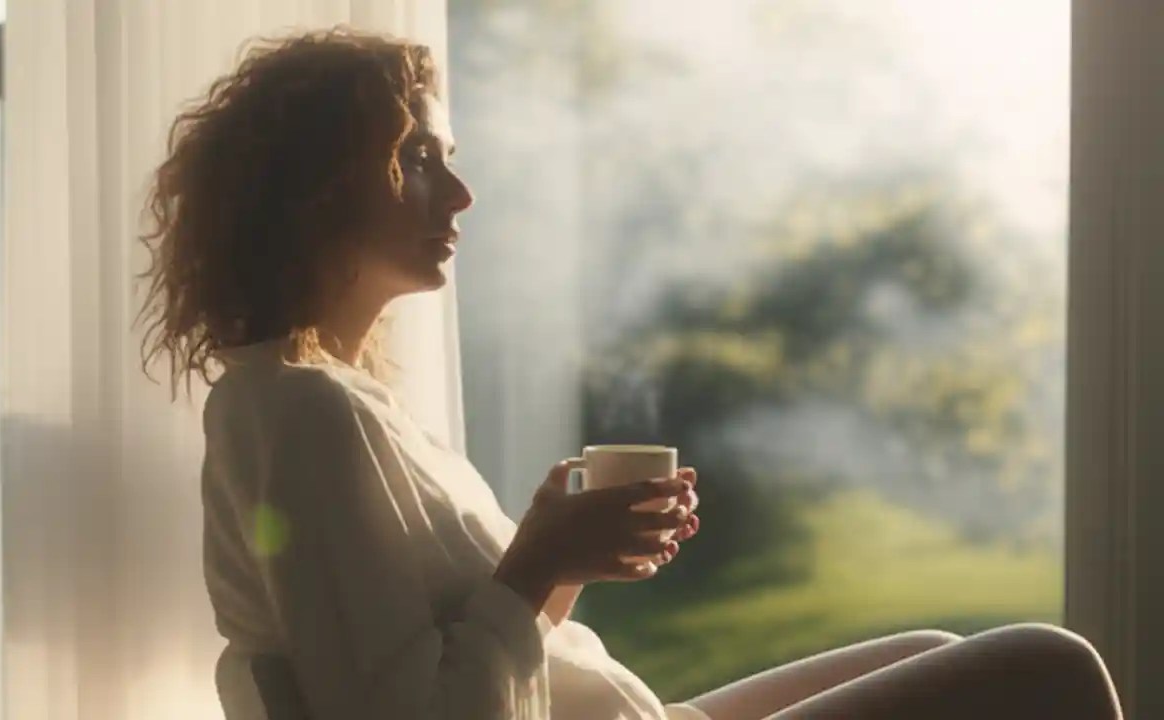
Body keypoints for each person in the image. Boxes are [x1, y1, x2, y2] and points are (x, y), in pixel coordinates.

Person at [138, 27, 1123, 720]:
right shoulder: (299, 416)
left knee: (935, 654)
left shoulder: (345, 403)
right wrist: (529, 565)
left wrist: (559, 556)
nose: (460, 192)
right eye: (418, 159)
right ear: (318, 188)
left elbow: (474, 651)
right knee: (1044, 667)